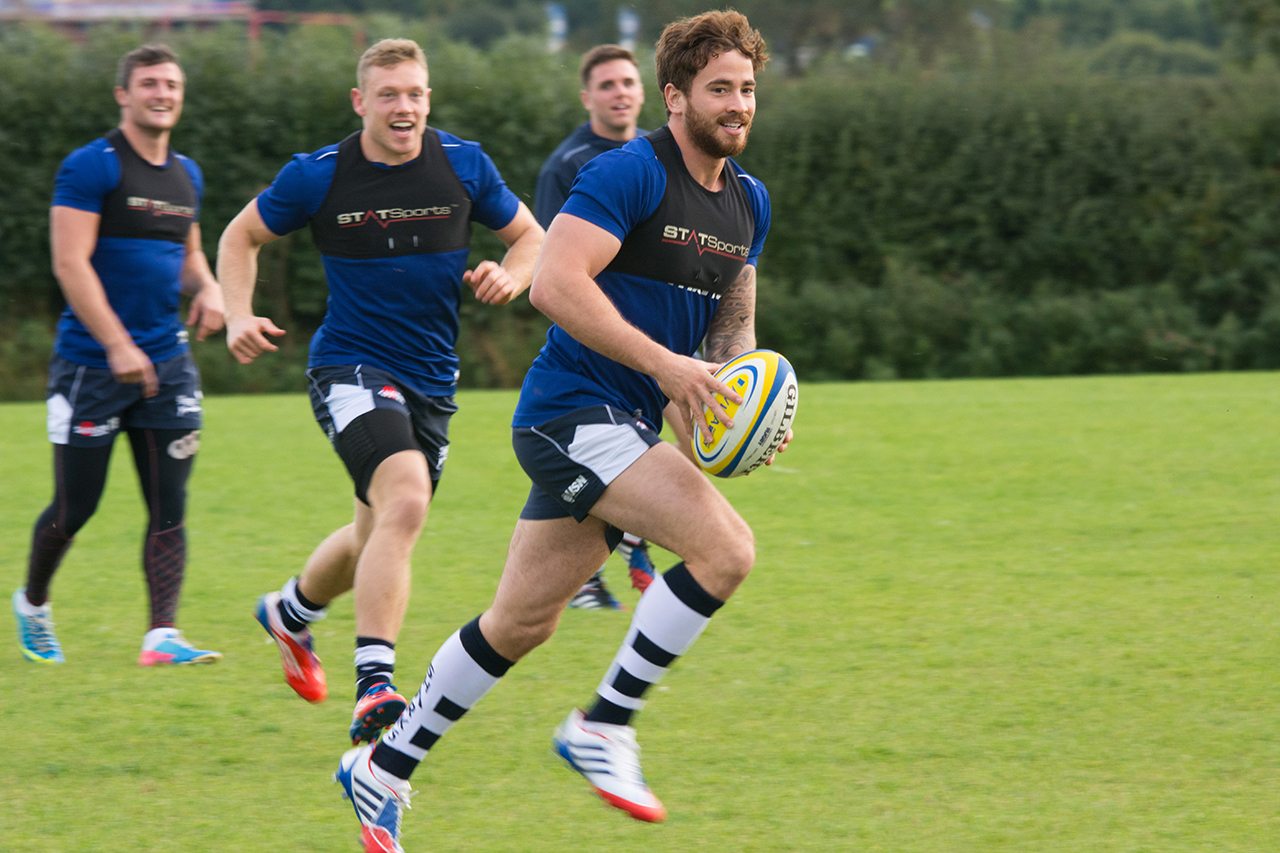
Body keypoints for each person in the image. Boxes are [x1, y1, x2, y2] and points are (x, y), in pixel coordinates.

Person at [336, 11, 782, 849]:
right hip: (574, 410)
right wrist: (665, 365)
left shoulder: (749, 201)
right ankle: (604, 726)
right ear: (676, 95)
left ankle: (383, 767)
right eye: (720, 88)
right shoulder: (628, 173)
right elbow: (555, 284)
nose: (738, 104)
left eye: (748, 89)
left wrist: (739, 398)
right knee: (726, 550)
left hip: (623, 421)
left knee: (521, 620)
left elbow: (730, 328)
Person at [216, 39, 542, 746]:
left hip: (431, 383)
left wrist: (513, 274)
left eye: (416, 94)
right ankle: (376, 685)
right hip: (351, 366)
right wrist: (236, 312)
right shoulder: (320, 176)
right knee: (406, 499)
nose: (405, 107)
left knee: (374, 530)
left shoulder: (463, 163)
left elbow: (532, 238)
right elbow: (241, 237)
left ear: (429, 100)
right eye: (389, 94)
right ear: (361, 102)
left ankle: (292, 611)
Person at [12, 44, 225, 667]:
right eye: (151, 83)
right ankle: (33, 603)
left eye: (173, 84)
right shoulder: (91, 167)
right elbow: (68, 263)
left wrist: (210, 288)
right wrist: (115, 344)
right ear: (123, 95)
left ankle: (162, 634)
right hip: (91, 367)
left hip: (168, 363)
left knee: (170, 503)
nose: (163, 93)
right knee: (76, 506)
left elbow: (188, 257)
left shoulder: (187, 174)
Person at [534, 43, 658, 611]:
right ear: (587, 97)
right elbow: (552, 265)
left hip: (658, 335)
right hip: (598, 338)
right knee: (597, 447)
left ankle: (635, 544)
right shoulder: (569, 165)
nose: (620, 93)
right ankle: (603, 565)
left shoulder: (662, 157)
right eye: (607, 84)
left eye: (628, 82)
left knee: (666, 435)